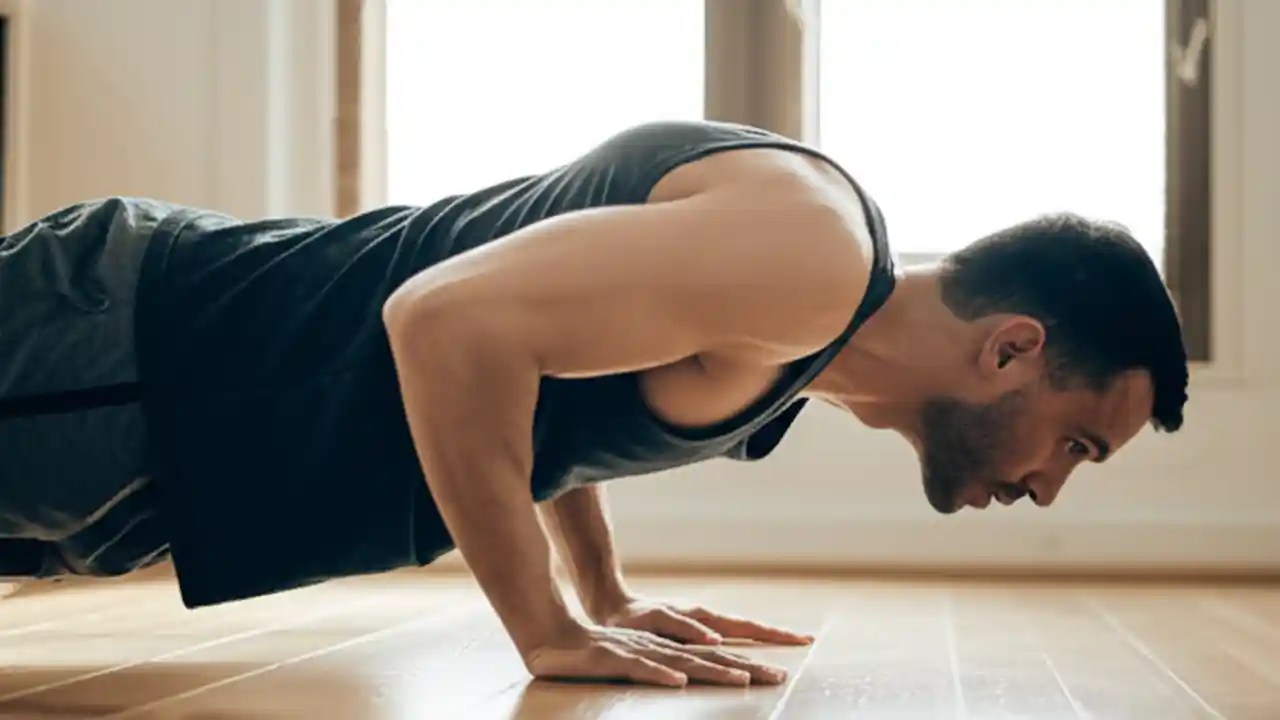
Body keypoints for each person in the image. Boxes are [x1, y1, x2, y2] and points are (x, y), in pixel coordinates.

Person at [0, 120, 1187, 688]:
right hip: (141, 352)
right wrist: (544, 630)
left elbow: (562, 378)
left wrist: (600, 589)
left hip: (162, 427)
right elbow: (448, 322)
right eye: (1074, 442)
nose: (1044, 485)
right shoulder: (810, 255)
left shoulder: (807, 325)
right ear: (1010, 349)